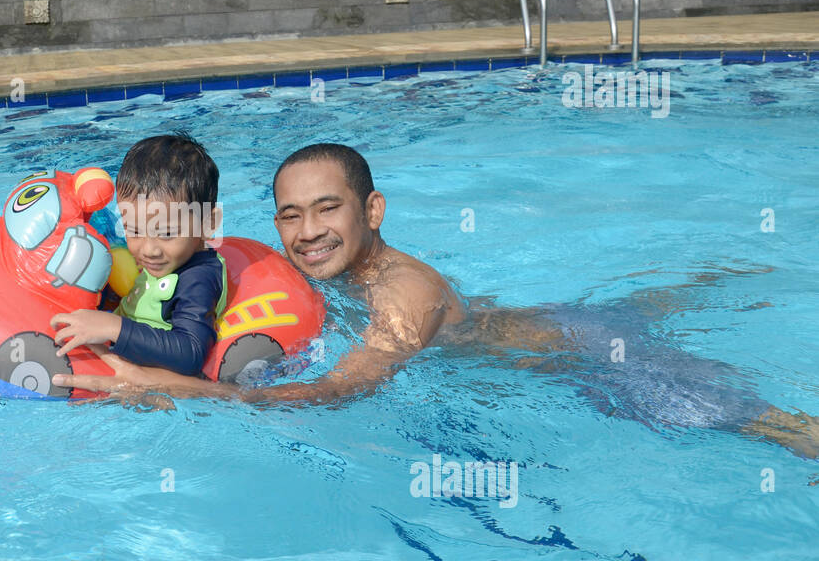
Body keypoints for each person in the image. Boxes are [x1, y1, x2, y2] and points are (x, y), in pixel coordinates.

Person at [53, 144, 819, 458]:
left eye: (328, 209)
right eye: (290, 214)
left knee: (744, 423)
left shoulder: (401, 298)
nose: (306, 232)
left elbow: (329, 393)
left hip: (574, 361)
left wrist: (165, 386)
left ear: (373, 210)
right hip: (544, 319)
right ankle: (707, 281)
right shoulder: (299, 270)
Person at [49, 133, 227, 377]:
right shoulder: (167, 259)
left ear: (208, 223)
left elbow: (191, 353)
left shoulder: (198, 278)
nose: (149, 250)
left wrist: (114, 327)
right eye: (133, 230)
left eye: (166, 233)